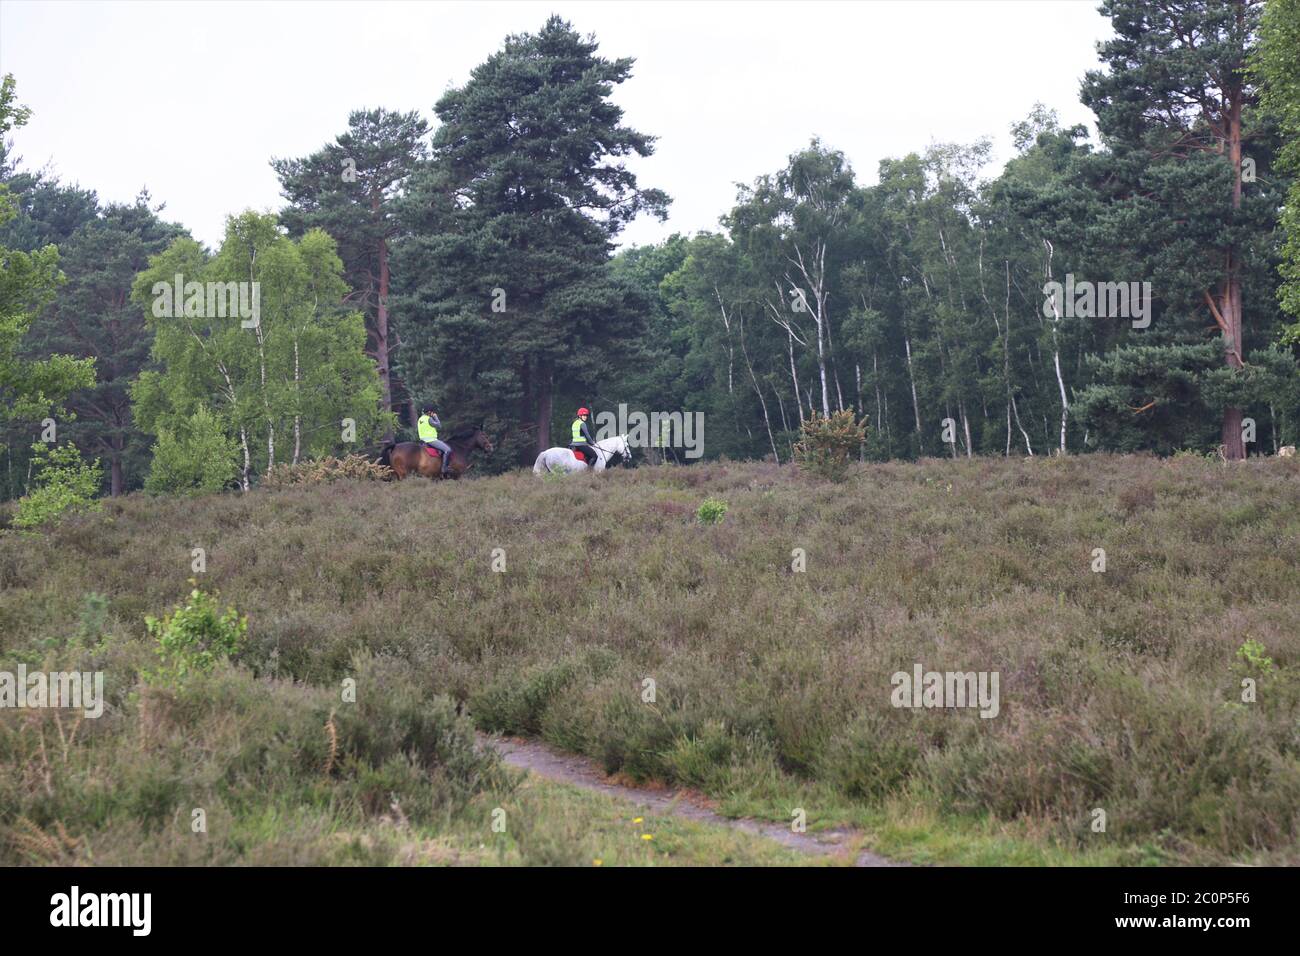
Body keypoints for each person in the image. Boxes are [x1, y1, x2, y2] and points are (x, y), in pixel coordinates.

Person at [417, 404, 452, 475]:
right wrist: (435, 417)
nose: (433, 413)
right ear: (430, 412)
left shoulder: (420, 419)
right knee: (448, 450)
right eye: (432, 412)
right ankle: (444, 469)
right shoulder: (429, 419)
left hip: (423, 440)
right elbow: (439, 425)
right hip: (431, 440)